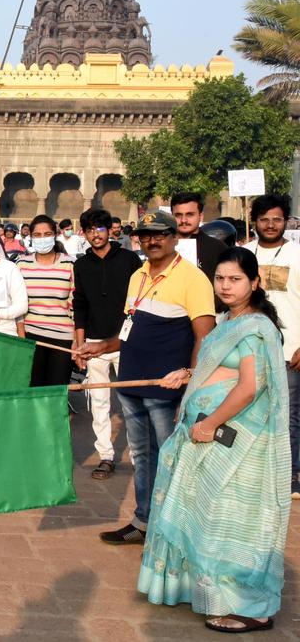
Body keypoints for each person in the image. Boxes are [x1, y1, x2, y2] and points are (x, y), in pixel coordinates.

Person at [138, 247, 291, 633]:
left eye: (235, 279)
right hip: (206, 433)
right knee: (202, 516)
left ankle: (251, 607)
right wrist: (189, 374)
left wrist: (210, 424)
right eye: (220, 278)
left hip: (237, 441)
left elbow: (250, 387)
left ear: (254, 283)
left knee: (231, 522)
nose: (225, 285)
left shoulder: (256, 327)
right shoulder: (228, 321)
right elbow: (221, 369)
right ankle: (206, 590)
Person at [98, 211, 215, 546]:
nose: (152, 241)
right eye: (146, 235)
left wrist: (192, 379)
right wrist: (102, 346)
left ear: (174, 236)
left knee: (170, 455)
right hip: (132, 379)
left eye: (160, 234)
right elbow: (130, 327)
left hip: (166, 386)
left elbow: (204, 336)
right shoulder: (138, 276)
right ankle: (144, 520)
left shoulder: (193, 279)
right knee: (142, 454)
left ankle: (172, 530)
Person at [72, 208, 143, 481]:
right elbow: (80, 305)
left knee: (130, 401)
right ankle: (106, 455)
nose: (95, 235)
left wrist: (134, 336)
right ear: (85, 233)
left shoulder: (129, 260)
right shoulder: (81, 264)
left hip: (125, 341)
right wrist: (80, 344)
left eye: (99, 229)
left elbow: (139, 300)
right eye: (89, 230)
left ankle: (139, 457)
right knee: (99, 402)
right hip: (93, 342)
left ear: (110, 230)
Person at [244, 194, 300, 499]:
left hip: (289, 349)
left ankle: (289, 474)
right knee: (251, 410)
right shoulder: (242, 254)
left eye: (277, 219)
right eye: (264, 219)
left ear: (286, 221)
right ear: (254, 221)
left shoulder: (297, 255)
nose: (270, 224)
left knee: (287, 414)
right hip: (250, 348)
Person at [16, 215, 75, 386]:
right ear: (31, 237)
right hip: (31, 335)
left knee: (56, 389)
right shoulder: (22, 264)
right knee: (33, 387)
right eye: (37, 235)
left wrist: (76, 341)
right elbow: (18, 303)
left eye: (47, 234)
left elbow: (75, 304)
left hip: (62, 337)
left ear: (55, 234)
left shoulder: (70, 264)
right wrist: (22, 337)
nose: (42, 239)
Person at [171, 191, 227, 282]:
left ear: (200, 216)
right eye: (178, 215)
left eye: (190, 214)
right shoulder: (163, 247)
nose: (183, 220)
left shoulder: (217, 248)